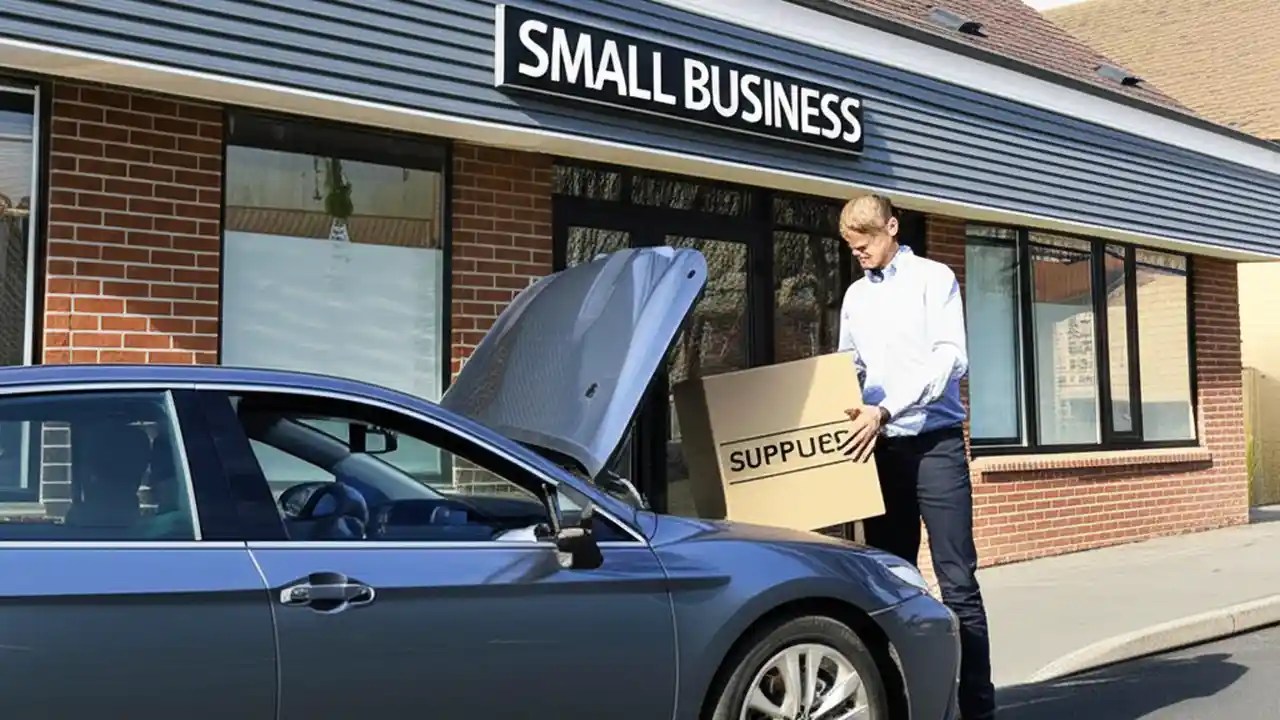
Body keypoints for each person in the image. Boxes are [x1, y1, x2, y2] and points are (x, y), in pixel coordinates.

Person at [836, 194, 996, 719]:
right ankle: (906, 705)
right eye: (851, 246)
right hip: (882, 450)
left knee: (957, 582)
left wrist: (886, 408)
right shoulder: (856, 297)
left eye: (865, 241)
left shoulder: (934, 279)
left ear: (892, 227)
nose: (858, 252)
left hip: (935, 446)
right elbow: (847, 365)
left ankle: (977, 709)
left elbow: (951, 358)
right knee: (890, 585)